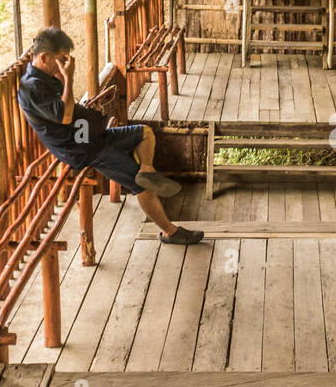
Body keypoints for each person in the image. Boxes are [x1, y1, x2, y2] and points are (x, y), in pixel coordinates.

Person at [18, 27, 204, 246]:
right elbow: (67, 116)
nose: (65, 63)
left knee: (145, 132)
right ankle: (170, 232)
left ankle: (147, 170)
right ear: (44, 57)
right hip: (81, 148)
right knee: (140, 185)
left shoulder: (48, 78)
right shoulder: (31, 89)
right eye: (62, 59)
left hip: (89, 135)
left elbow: (68, 108)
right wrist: (68, 76)